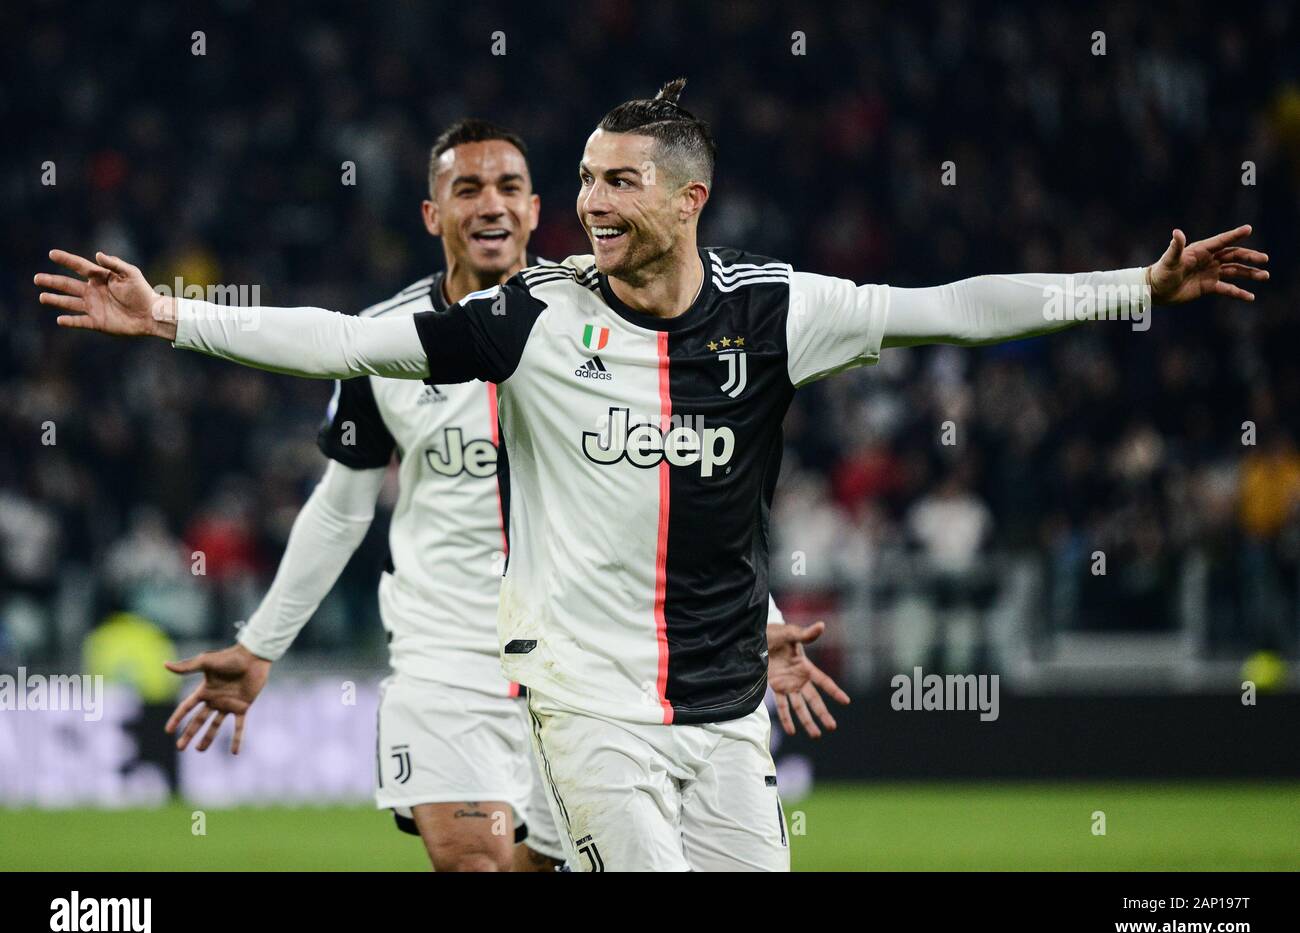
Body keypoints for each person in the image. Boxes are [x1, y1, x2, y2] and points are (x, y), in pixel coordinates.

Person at [36, 78, 1267, 871]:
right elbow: (350, 339)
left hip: (725, 701)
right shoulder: (538, 313)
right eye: (581, 180)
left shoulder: (782, 310)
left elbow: (949, 309)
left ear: (691, 197)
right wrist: (173, 321)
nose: (585, 203)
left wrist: (1134, 287)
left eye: (614, 181)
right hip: (582, 699)